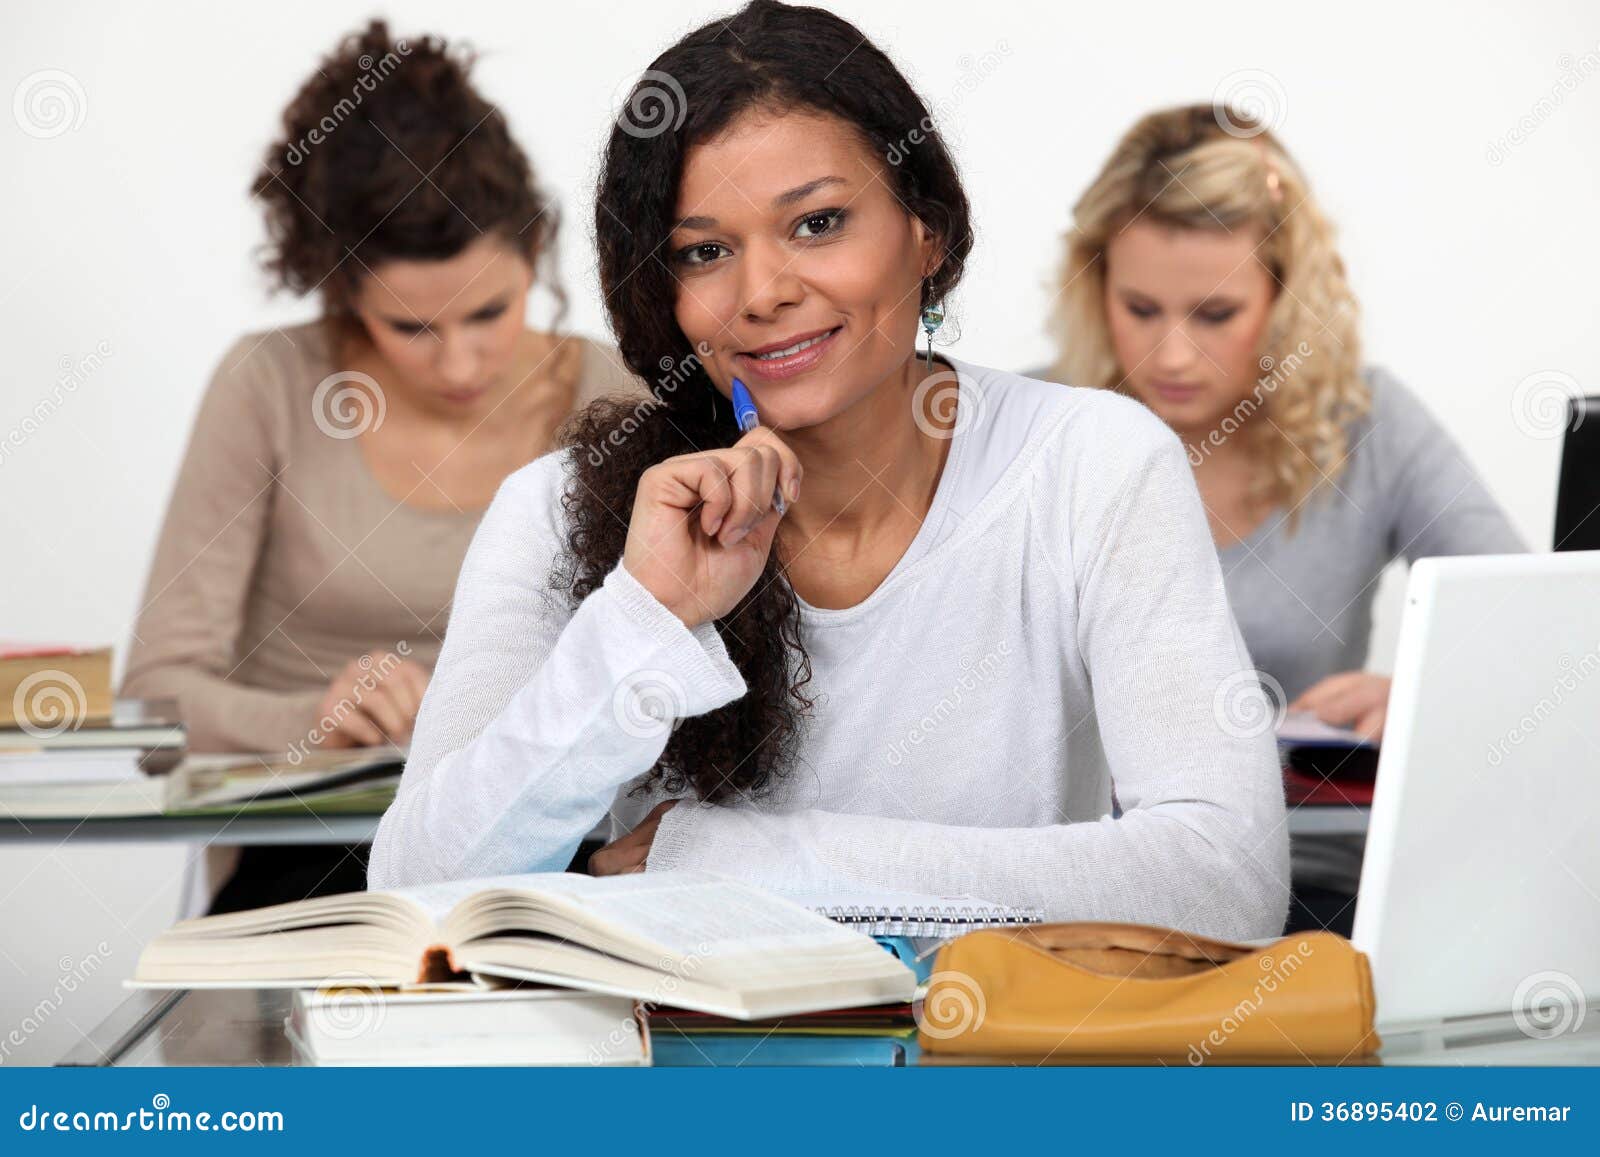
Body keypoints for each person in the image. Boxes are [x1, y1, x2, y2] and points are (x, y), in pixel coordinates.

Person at [369, 0, 1289, 942]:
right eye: (705, 251)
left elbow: (1224, 878)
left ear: (924, 231)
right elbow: (419, 895)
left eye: (817, 223)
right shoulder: (560, 509)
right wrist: (644, 616)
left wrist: (734, 862)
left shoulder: (1093, 463)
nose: (764, 292)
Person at [122, 20, 645, 913]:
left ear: (536, 253)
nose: (461, 365)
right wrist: (311, 720)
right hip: (312, 859)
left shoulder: (614, 392)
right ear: (341, 290)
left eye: (491, 311)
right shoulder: (270, 386)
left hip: (550, 850)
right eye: (410, 327)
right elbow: (154, 703)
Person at [1037, 104, 1525, 934]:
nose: (1174, 356)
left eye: (1216, 314)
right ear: (1096, 287)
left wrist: (1422, 693)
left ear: (1287, 296)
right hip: (1081, 889)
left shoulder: (1366, 426)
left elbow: (1533, 625)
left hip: (1318, 892)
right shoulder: (1034, 429)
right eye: (1141, 308)